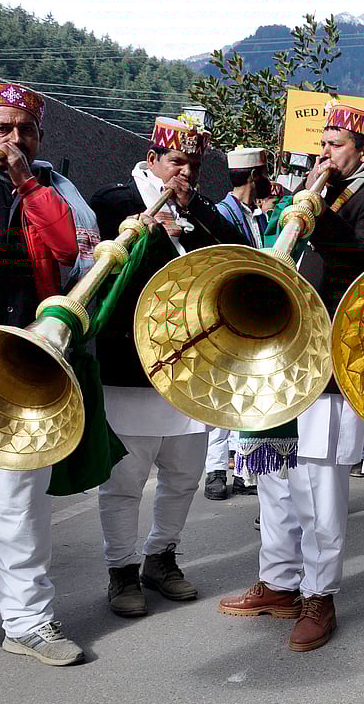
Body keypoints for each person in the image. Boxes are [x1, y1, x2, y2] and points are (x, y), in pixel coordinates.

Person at [218, 102, 364, 652]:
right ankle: (279, 582)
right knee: (275, 482)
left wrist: (315, 209)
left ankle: (319, 595)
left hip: (328, 362)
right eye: (321, 143)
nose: (323, 154)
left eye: (335, 145)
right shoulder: (309, 192)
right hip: (284, 353)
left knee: (320, 490)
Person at [0, 81, 91, 666]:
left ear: (39, 137)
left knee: (21, 505)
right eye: (1, 128)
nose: (13, 139)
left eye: (25, 130)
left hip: (27, 367)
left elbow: (66, 247)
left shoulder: (49, 188)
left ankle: (28, 622)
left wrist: (28, 183)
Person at [91, 114, 249, 618]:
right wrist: (157, 229)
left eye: (194, 166)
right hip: (129, 363)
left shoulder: (200, 211)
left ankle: (161, 557)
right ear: (153, 159)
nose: (186, 173)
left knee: (183, 476)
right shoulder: (115, 202)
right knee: (124, 481)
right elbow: (107, 272)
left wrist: (191, 209)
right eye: (177, 162)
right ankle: (120, 570)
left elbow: (236, 254)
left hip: (189, 366)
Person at [203, 146, 272, 501]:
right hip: (225, 314)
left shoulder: (254, 216)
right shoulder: (221, 214)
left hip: (249, 314)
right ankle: (215, 470)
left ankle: (243, 470)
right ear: (255, 177)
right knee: (220, 394)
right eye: (265, 175)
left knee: (244, 394)